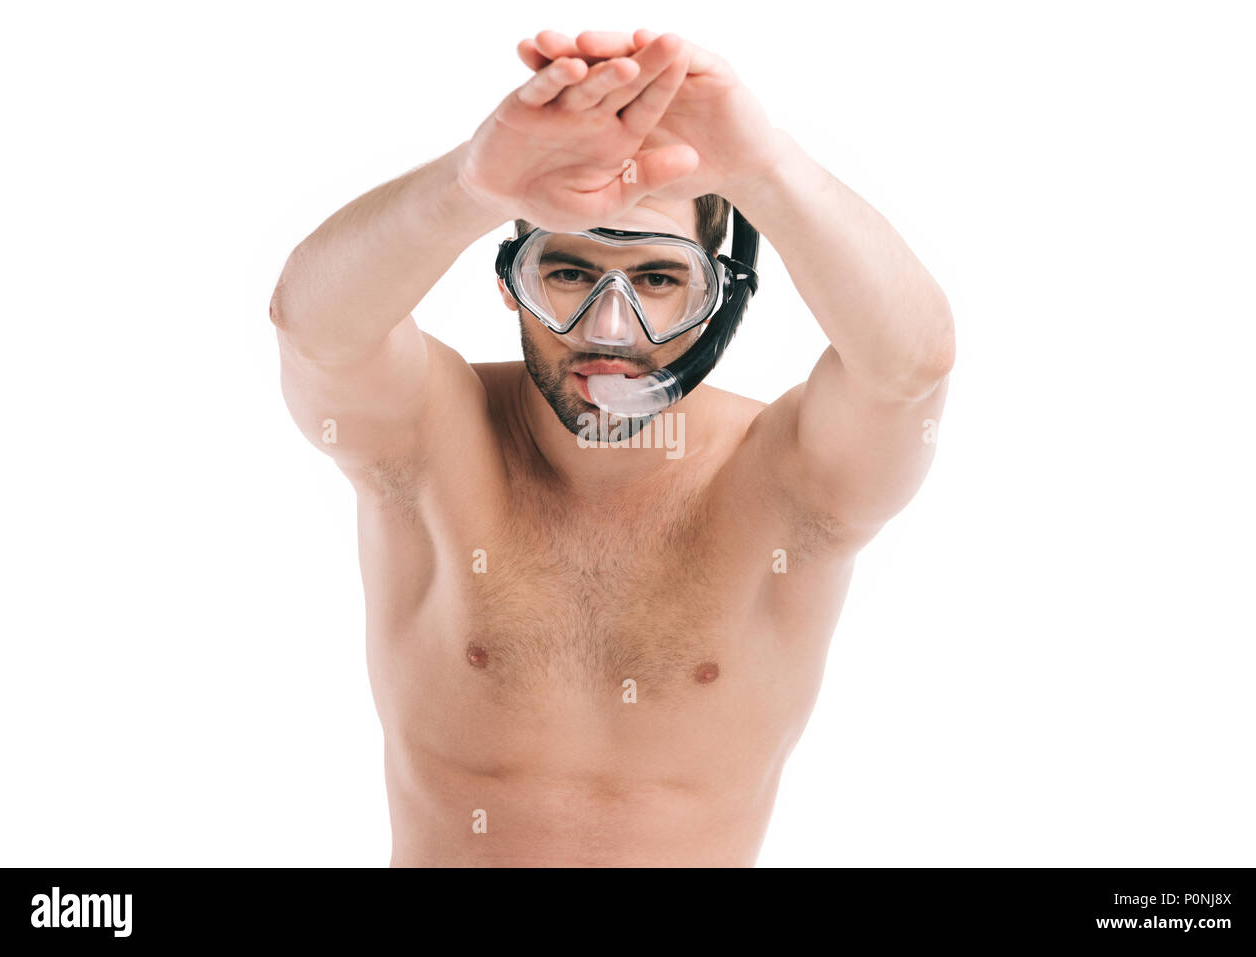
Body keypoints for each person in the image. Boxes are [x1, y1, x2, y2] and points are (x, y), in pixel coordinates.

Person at [268, 29, 954, 867]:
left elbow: (909, 371)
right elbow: (313, 332)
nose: (606, 329)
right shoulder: (429, 442)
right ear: (509, 282)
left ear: (720, 298)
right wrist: (470, 185)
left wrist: (762, 170)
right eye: (566, 272)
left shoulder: (784, 485)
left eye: (659, 280)